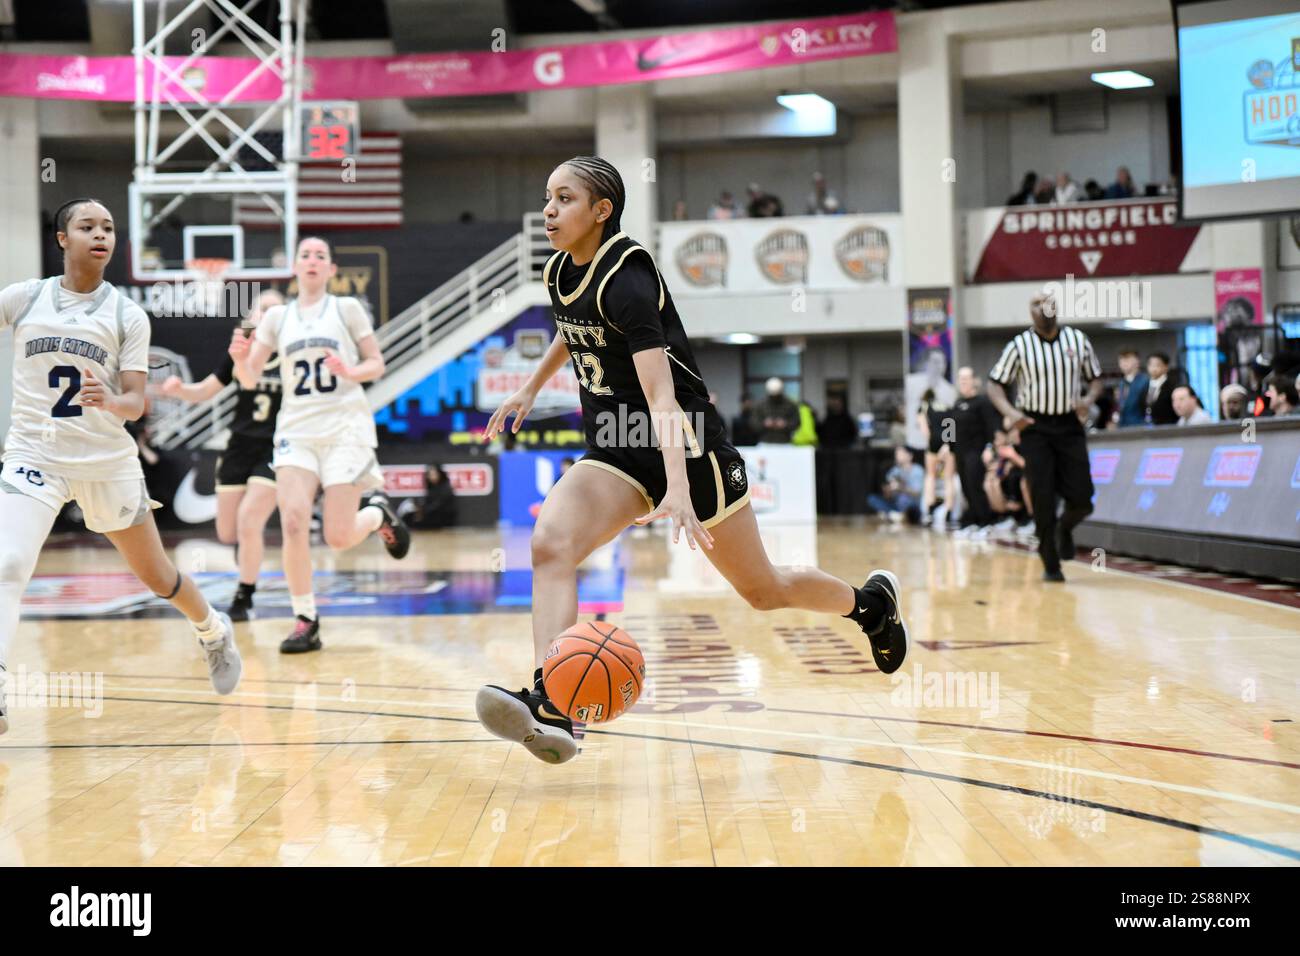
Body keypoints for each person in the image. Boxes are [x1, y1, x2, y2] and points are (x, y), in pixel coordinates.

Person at [474, 157, 909, 764]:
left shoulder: (627, 276)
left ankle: (869, 605)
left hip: (691, 448)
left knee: (764, 590)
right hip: (618, 446)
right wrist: (530, 386)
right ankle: (558, 705)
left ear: (601, 211)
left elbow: (662, 397)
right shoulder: (558, 269)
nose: (549, 209)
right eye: (547, 197)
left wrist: (676, 486)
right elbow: (573, 329)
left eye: (564, 198)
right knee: (551, 545)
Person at [0, 198, 242, 735]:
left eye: (108, 227)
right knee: (9, 564)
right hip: (34, 454)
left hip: (105, 460)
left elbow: (138, 401)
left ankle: (211, 629)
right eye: (87, 226)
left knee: (157, 577)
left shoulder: (126, 314)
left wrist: (112, 400)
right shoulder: (25, 298)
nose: (100, 234)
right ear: (63, 238)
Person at [229, 236, 411, 654]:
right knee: (292, 521)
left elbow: (376, 363)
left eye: (320, 256)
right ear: (295, 268)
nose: (312, 261)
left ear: (330, 270)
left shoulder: (345, 309)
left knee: (339, 537)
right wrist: (240, 358)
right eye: (305, 255)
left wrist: (351, 370)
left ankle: (378, 514)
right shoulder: (276, 318)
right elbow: (250, 378)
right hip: (297, 429)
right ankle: (305, 618)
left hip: (345, 427)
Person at [156, 289, 285, 621]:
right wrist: (181, 390)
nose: (269, 315)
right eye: (264, 309)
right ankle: (247, 554)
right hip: (239, 445)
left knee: (249, 521)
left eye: (276, 309)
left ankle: (244, 596)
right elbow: (207, 390)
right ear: (253, 316)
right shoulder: (241, 353)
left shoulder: (292, 353)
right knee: (229, 532)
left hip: (276, 446)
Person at [987, 292, 1103, 582]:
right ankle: (1050, 563)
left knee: (1083, 498)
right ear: (1030, 312)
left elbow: (1097, 379)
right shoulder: (1019, 345)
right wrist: (1012, 414)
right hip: (1035, 427)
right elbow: (995, 385)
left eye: (1046, 301)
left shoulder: (1078, 340)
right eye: (1035, 303)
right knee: (1042, 496)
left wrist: (1087, 401)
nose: (1042, 307)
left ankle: (1064, 528)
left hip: (1069, 424)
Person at [949, 367, 1002, 538]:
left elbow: (992, 426)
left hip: (976, 451)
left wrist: (989, 448)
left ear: (974, 381)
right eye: (960, 379)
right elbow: (949, 426)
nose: (963, 382)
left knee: (975, 485)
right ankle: (971, 522)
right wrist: (946, 446)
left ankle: (985, 522)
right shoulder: (957, 403)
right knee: (965, 487)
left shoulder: (983, 402)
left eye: (966, 378)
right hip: (960, 452)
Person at [917, 388, 958, 530]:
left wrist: (931, 444)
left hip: (934, 440)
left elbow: (924, 428)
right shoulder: (946, 405)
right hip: (948, 439)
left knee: (931, 475)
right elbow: (951, 423)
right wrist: (947, 444)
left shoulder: (924, 406)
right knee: (949, 477)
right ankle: (949, 511)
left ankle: (929, 511)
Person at [867, 447, 924, 523]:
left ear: (910, 456)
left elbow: (917, 492)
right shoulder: (895, 470)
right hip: (897, 505)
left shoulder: (917, 470)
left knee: (912, 507)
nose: (897, 456)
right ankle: (897, 515)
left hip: (912, 505)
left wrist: (900, 488)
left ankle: (894, 515)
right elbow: (888, 495)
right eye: (896, 454)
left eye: (900, 454)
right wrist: (888, 489)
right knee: (872, 499)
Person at [397, 463, 458, 529]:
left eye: (434, 474)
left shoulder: (446, 488)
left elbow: (438, 506)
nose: (432, 477)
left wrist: (423, 512)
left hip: (442, 518)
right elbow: (427, 501)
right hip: (431, 515)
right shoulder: (431, 487)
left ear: (440, 474)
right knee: (409, 516)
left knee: (417, 521)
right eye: (430, 475)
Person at [753, 377, 800, 443]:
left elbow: (797, 423)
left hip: (785, 442)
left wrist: (785, 424)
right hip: (765, 442)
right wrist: (764, 424)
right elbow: (754, 424)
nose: (775, 398)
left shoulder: (790, 404)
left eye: (777, 396)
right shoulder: (760, 405)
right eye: (772, 396)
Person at [1113, 348, 1148, 427]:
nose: (1124, 363)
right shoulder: (1121, 383)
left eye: (1127, 359)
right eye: (1121, 360)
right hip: (1122, 427)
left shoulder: (1146, 381)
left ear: (1137, 361)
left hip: (1140, 426)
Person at [1145, 352, 1179, 425]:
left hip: (1168, 425)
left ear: (1166, 367)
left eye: (1157, 365)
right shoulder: (1145, 385)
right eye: (1151, 365)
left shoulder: (1172, 386)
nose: (1153, 368)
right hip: (1149, 425)